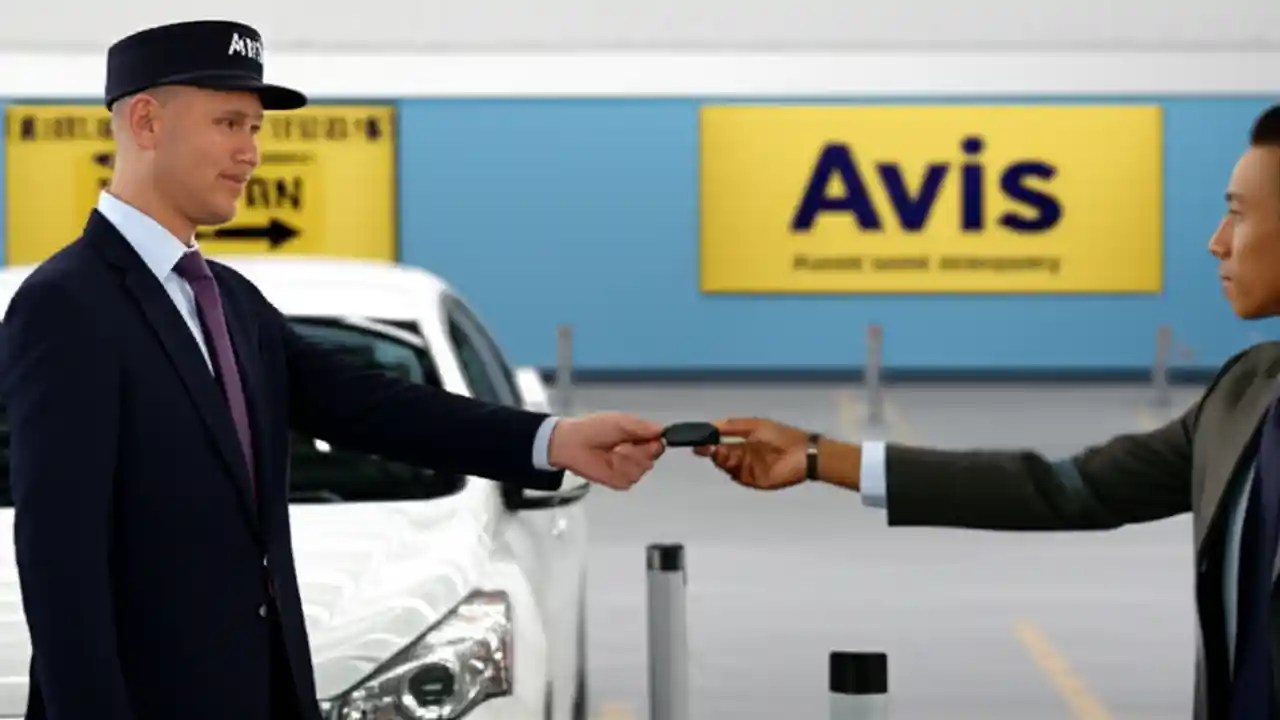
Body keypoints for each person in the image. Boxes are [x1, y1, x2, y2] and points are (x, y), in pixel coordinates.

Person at [0, 19, 665, 720]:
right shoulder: (67, 306)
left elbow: (368, 405)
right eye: (230, 123)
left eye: (255, 129)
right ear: (145, 121)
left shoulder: (227, 301)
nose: (250, 153)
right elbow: (59, 563)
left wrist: (552, 440)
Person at [695, 102, 1280, 720]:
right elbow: (1063, 489)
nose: (1217, 241)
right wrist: (817, 457)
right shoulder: (1244, 394)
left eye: (1238, 214)